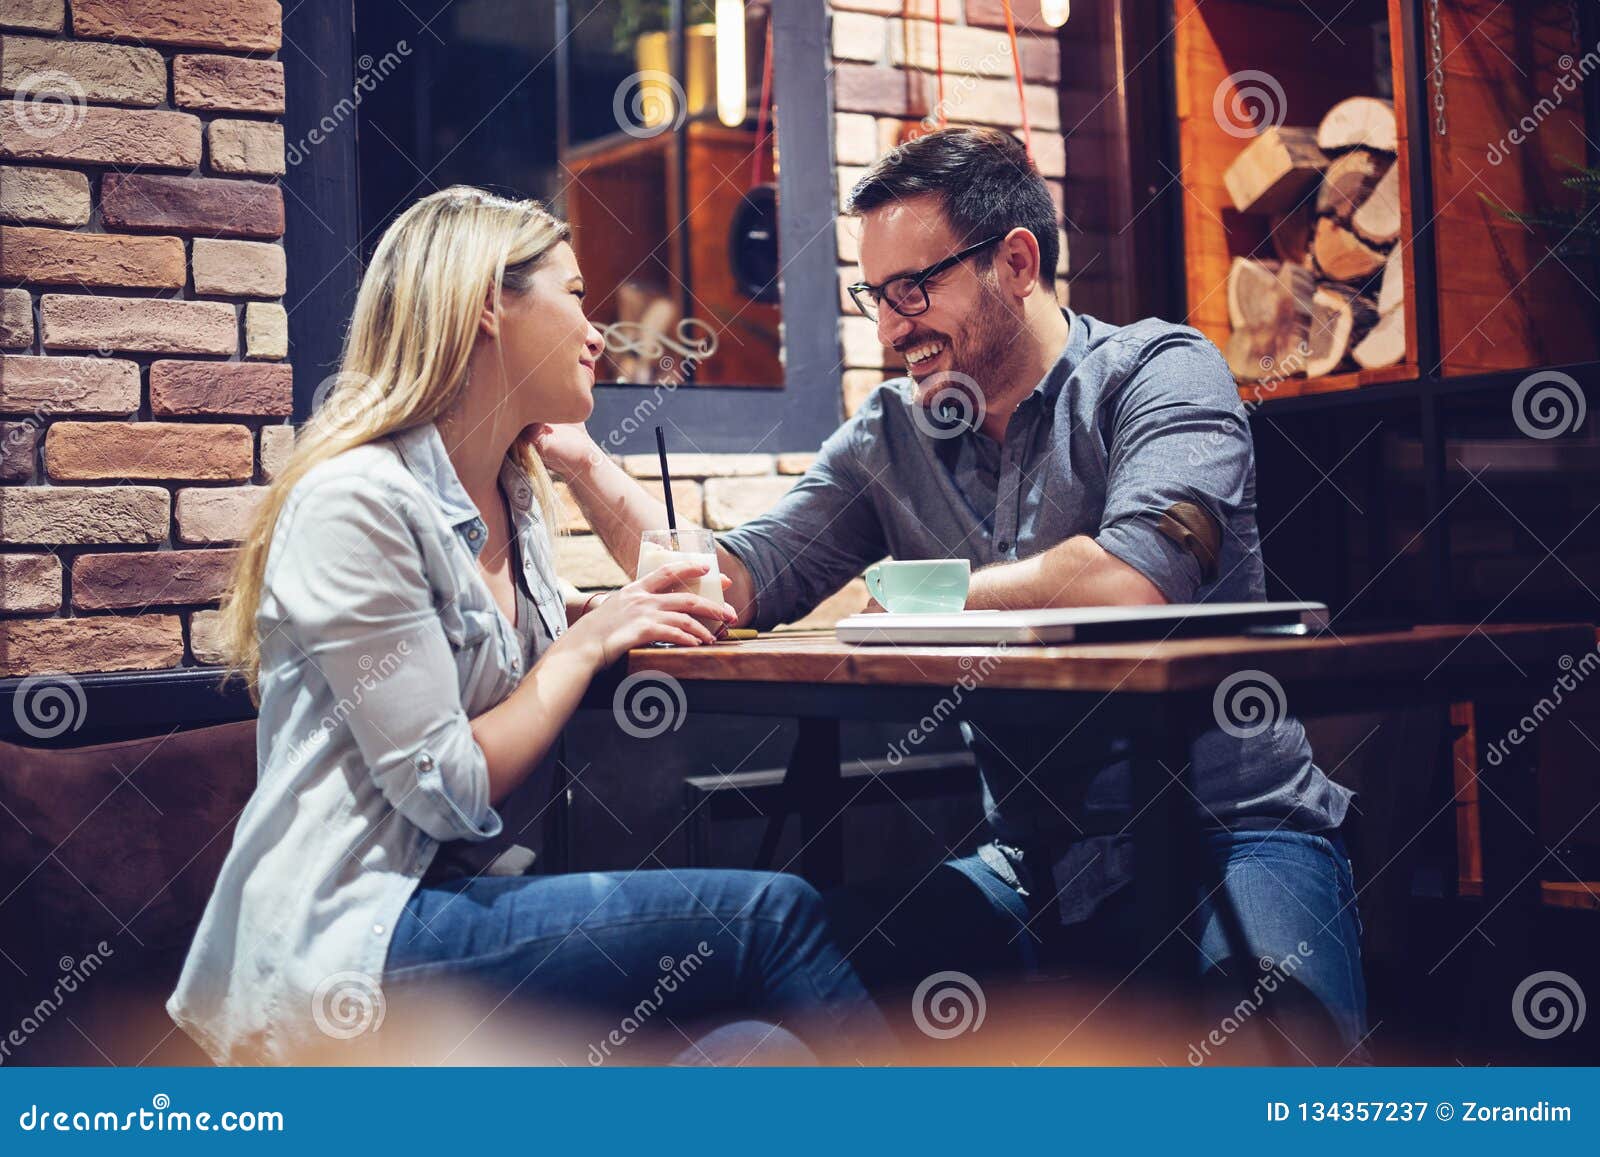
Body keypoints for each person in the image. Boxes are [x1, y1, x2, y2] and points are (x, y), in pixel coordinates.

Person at [536, 127, 1369, 1064]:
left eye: (913, 289)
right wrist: (578, 458)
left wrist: (924, 597)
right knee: (770, 996)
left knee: (1274, 1064)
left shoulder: (1160, 373)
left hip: (1233, 833)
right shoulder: (889, 435)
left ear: (1016, 262)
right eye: (876, 297)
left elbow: (1134, 576)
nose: (891, 329)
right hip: (1036, 867)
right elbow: (731, 580)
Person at [166, 187, 890, 1067]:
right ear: (485, 303)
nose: (597, 331)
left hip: (466, 901)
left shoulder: (510, 493)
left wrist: (601, 597)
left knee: (754, 1051)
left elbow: (536, 629)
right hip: (353, 935)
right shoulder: (356, 502)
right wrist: (587, 641)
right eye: (575, 294)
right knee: (778, 915)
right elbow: (447, 786)